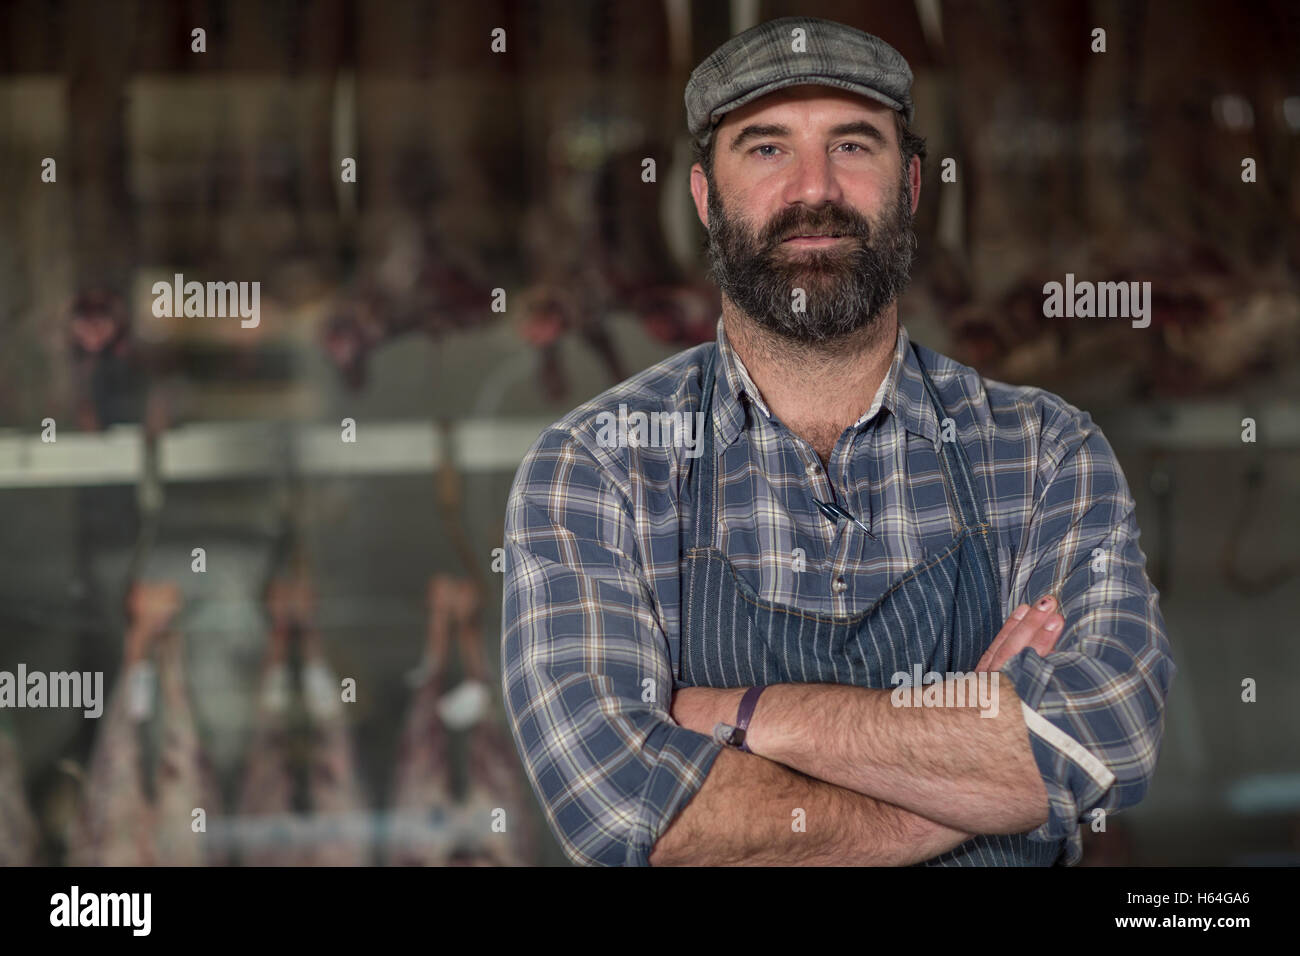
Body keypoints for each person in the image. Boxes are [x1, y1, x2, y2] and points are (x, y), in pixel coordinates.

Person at [501, 16, 1175, 866]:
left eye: (854, 145)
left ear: (914, 186)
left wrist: (746, 716)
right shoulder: (599, 467)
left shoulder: (1045, 452)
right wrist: (975, 785)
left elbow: (1100, 740)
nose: (813, 189)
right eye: (767, 148)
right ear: (706, 196)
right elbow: (630, 814)